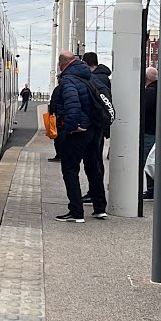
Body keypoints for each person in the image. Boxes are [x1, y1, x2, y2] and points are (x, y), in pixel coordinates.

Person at [52, 51, 108, 222]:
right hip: (94, 129)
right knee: (93, 167)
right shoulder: (91, 77)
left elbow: (72, 105)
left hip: (79, 131)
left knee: (70, 169)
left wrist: (70, 128)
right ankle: (99, 208)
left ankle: (76, 212)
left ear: (62, 64)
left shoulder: (68, 79)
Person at [80, 52, 112, 203]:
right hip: (100, 125)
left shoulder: (97, 79)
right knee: (96, 161)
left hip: (95, 126)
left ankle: (95, 194)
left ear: (85, 63)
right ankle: (95, 194)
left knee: (94, 162)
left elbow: (98, 105)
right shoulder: (103, 77)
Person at [142, 67, 158, 200]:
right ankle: (154, 189)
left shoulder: (150, 92)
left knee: (148, 161)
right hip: (157, 130)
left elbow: (144, 111)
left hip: (150, 131)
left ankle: (152, 189)